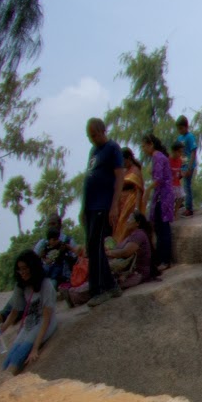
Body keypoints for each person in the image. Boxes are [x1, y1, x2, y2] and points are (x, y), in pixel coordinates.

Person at [80, 118, 125, 307]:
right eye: (89, 136)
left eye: (94, 135)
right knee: (92, 246)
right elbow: (89, 177)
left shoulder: (112, 148)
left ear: (102, 131)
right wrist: (83, 207)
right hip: (90, 205)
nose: (92, 139)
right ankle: (111, 285)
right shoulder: (94, 151)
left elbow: (120, 177)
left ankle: (99, 289)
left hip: (103, 205)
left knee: (96, 245)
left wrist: (114, 205)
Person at [0, 250, 59, 374]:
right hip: (29, 324)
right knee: (8, 360)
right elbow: (14, 312)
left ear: (33, 267)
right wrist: (1, 329)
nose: (22, 272)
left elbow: (46, 319)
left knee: (17, 358)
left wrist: (35, 349)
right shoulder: (21, 285)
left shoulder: (45, 285)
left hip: (44, 323)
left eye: (25, 268)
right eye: (20, 269)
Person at [142, 134, 175, 270]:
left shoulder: (158, 157)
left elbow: (159, 178)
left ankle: (165, 260)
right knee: (160, 227)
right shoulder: (159, 157)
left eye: (144, 146)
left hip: (163, 196)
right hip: (162, 195)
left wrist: (148, 190)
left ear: (150, 144)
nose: (143, 149)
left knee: (163, 228)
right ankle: (162, 259)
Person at [108, 211, 156, 288]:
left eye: (130, 219)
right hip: (129, 271)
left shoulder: (139, 235)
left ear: (137, 223)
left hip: (138, 273)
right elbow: (118, 248)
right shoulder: (133, 234)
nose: (127, 221)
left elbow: (126, 252)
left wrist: (107, 253)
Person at [34, 218, 78, 289]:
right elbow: (36, 257)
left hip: (64, 273)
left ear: (60, 225)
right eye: (49, 224)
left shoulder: (67, 240)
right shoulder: (44, 243)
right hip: (48, 269)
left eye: (53, 224)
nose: (51, 226)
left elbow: (76, 254)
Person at [113, 148, 145, 243]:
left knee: (128, 226)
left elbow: (139, 190)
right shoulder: (124, 171)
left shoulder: (135, 171)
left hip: (130, 202)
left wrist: (136, 208)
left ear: (128, 158)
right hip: (121, 203)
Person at [175, 115, 198, 216]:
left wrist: (189, 166)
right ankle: (179, 202)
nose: (180, 130)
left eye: (181, 128)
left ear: (186, 127)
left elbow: (193, 152)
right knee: (174, 181)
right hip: (181, 165)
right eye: (178, 129)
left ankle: (189, 208)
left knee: (187, 186)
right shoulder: (179, 138)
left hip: (188, 165)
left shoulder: (190, 137)